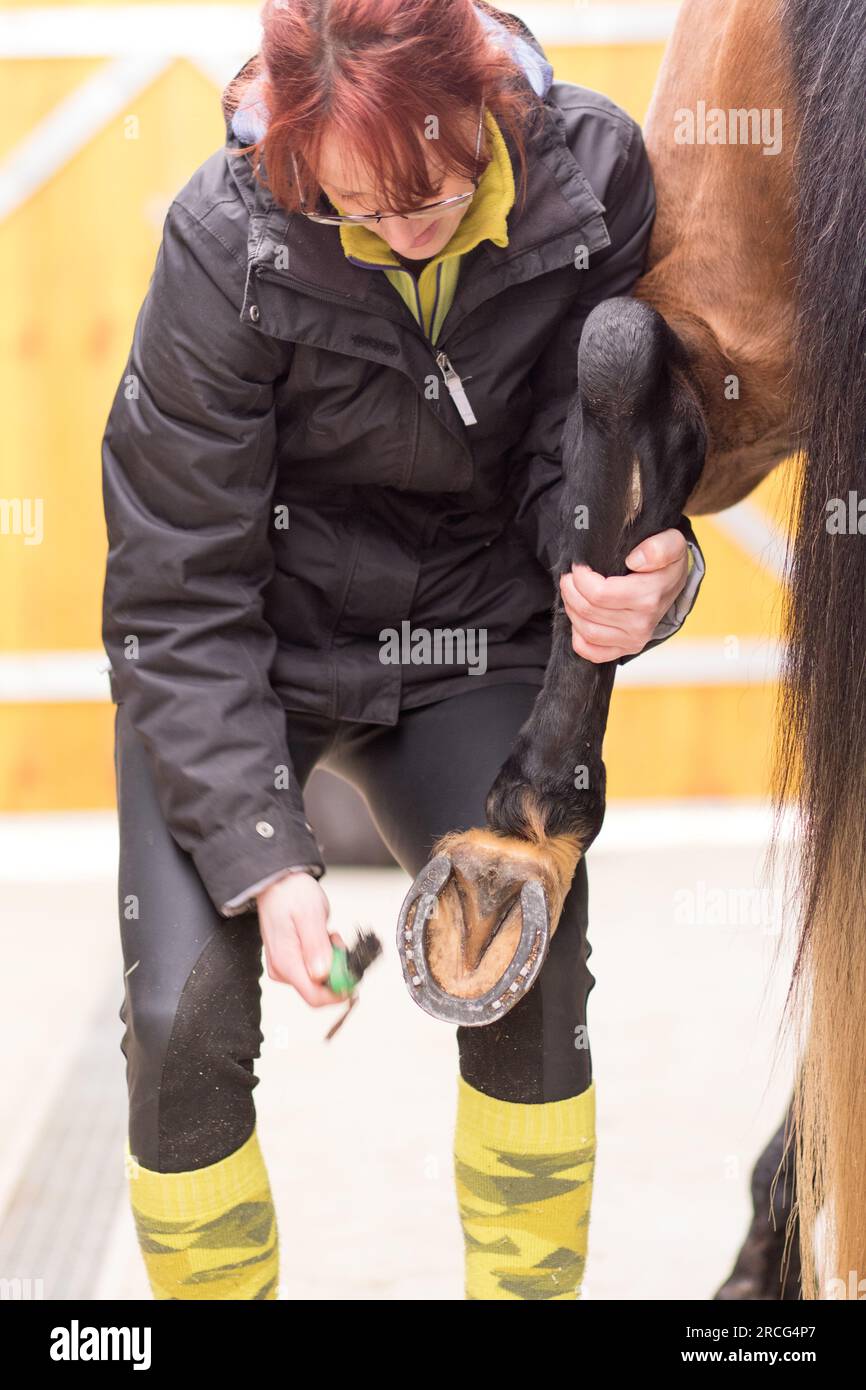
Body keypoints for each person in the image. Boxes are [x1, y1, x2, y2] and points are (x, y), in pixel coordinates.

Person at [101, 0, 705, 1301]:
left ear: (487, 93)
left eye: (429, 198)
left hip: (474, 635)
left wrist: (645, 566)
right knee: (182, 1010)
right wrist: (265, 863)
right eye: (356, 213)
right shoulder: (226, 239)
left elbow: (599, 452)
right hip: (248, 650)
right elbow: (176, 585)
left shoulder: (593, 177)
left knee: (523, 967)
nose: (399, 233)